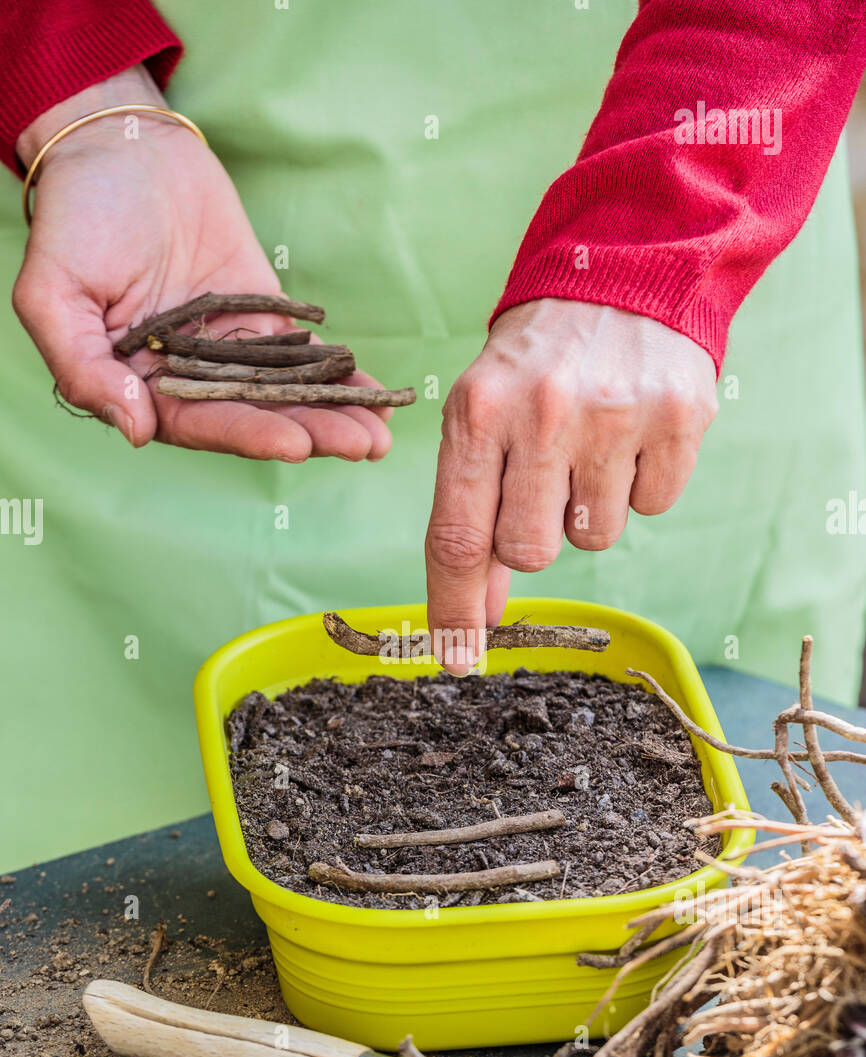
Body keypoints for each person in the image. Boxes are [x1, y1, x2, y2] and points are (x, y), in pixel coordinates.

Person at [2, 0, 865, 867]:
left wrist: (652, 244)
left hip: (691, 200)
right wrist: (82, 101)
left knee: (707, 868)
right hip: (137, 207)